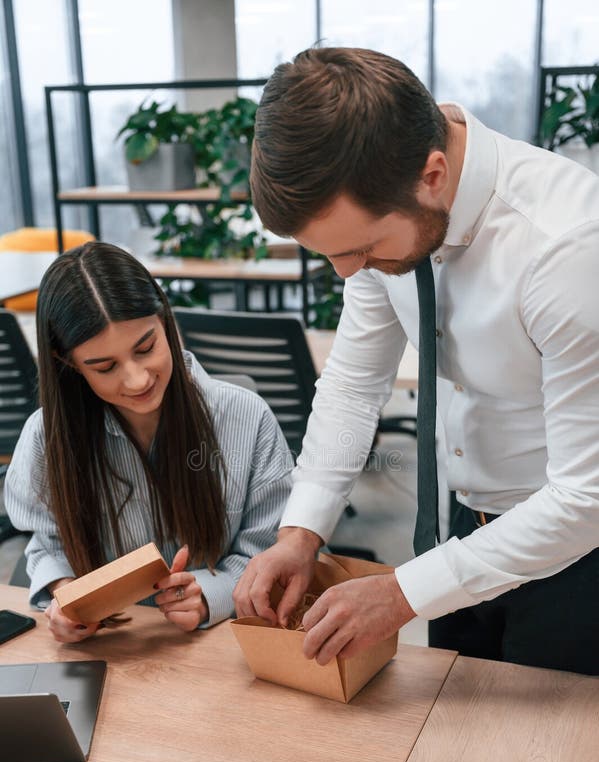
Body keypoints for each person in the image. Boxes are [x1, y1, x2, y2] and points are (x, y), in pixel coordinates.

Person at [233, 46, 599, 676]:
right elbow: (352, 384)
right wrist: (301, 531)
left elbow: (586, 496)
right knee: (448, 742)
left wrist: (405, 593)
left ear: (432, 175)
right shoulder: (386, 211)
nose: (348, 272)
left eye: (361, 248)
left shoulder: (565, 247)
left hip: (577, 552)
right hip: (458, 528)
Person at [5, 241, 292, 643]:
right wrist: (65, 596)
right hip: (113, 649)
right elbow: (48, 543)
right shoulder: (46, 438)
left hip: (221, 648)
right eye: (104, 367)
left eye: (146, 348)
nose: (137, 380)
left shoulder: (247, 418)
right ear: (68, 364)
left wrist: (211, 593)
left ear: (166, 321)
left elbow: (270, 551)